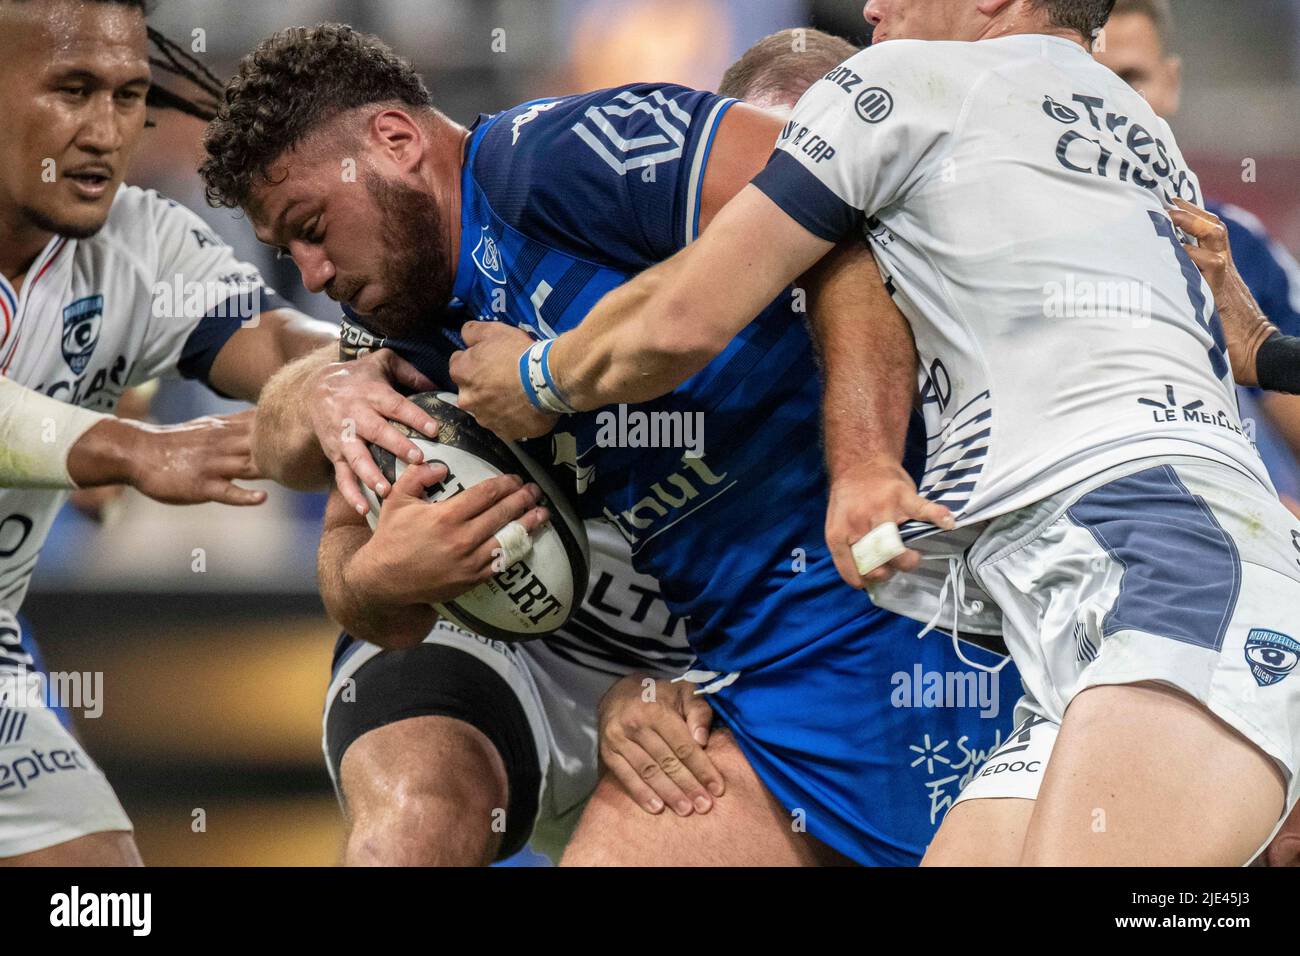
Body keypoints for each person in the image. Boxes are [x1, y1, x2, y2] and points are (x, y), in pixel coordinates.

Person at [447, 0, 1300, 866]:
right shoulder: (1131, 125)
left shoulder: (901, 83)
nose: (871, 9)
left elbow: (683, 317)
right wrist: (1263, 348)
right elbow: (1230, 352)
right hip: (1075, 608)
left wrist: (535, 378)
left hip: (1160, 569)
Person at [200, 22, 1019, 866]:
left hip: (900, 622)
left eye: (311, 226)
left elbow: (836, 217)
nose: (312, 272)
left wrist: (864, 462)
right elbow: (312, 483)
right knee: (421, 836)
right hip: (725, 682)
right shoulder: (406, 317)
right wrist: (373, 569)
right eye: (286, 248)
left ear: (398, 141)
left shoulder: (557, 161)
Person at [0, 0, 357, 866]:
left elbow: (273, 341)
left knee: (98, 892)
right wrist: (130, 448)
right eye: (73, 89)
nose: (104, 130)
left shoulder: (137, 241)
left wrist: (375, 371)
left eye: (129, 97)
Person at [1095, 0, 1300, 517]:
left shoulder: (1239, 246)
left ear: (1171, 82)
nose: (1115, 100)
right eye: (1091, 78)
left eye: (1132, 77)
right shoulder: (1001, 241)